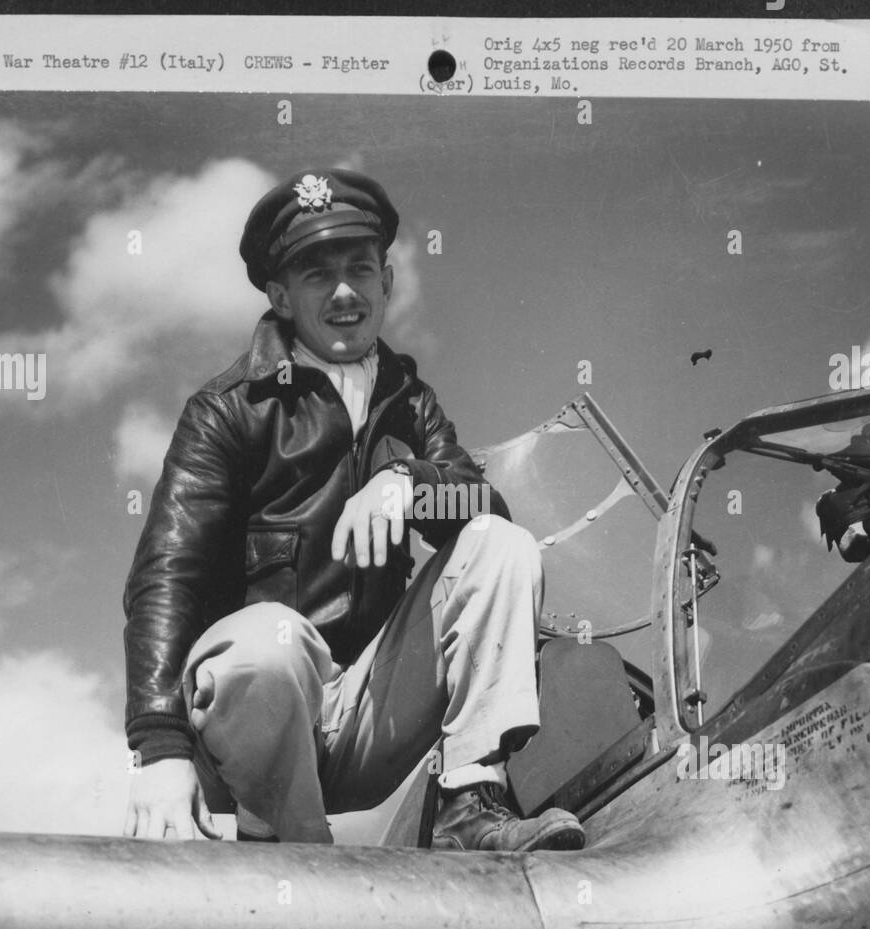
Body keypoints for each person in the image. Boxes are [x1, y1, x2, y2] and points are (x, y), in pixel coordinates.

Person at [121, 168, 585, 851]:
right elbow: (166, 573)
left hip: (368, 714)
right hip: (258, 718)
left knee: (500, 542)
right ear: (279, 296)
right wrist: (159, 745)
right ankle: (291, 853)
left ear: (386, 281)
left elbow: (485, 504)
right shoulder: (226, 410)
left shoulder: (410, 398)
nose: (344, 292)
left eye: (359, 269)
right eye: (315, 274)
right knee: (269, 641)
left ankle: (469, 803)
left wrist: (410, 481)